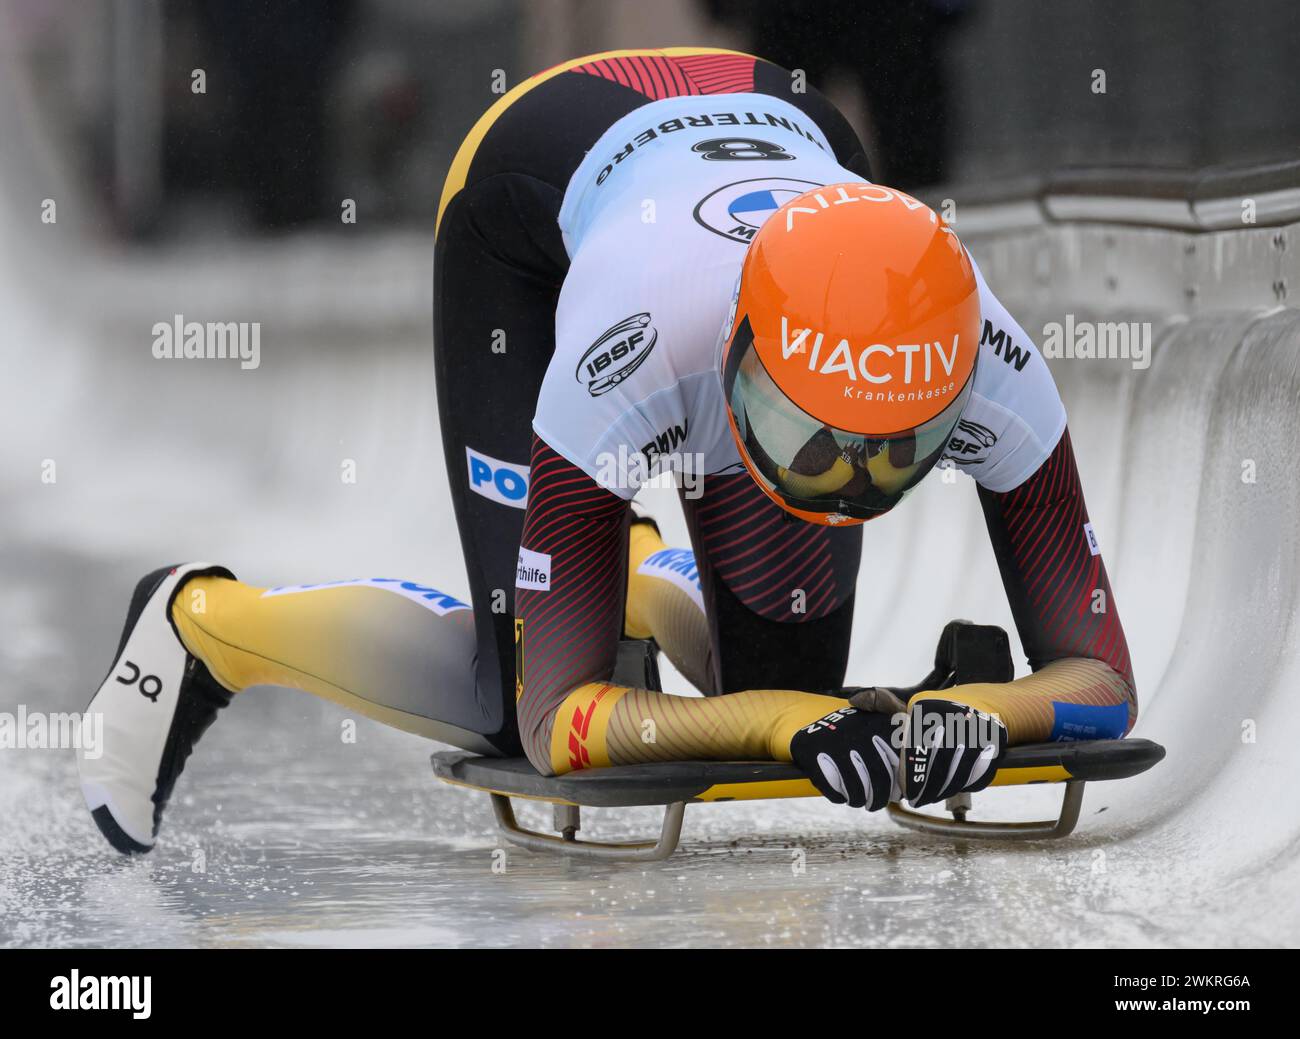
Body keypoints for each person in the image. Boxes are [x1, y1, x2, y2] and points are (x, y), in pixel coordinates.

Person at [78, 47, 1135, 854]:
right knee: (505, 697)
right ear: (737, 361)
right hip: (529, 188)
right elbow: (559, 727)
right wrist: (777, 725)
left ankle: (617, 566)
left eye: (890, 455)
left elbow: (1103, 681)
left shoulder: (992, 359)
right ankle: (204, 623)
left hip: (784, 129)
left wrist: (966, 714)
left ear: (956, 394)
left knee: (788, 673)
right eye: (808, 440)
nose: (848, 485)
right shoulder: (629, 356)